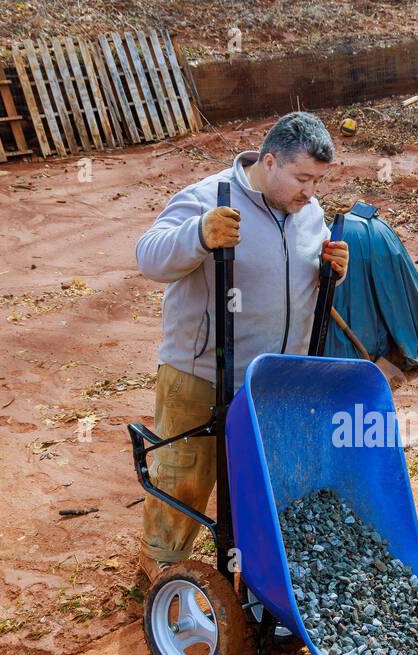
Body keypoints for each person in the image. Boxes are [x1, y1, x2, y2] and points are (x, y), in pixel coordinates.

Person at [134, 111, 349, 580]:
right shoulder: (207, 198)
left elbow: (296, 279)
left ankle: (254, 570)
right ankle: (160, 571)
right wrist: (198, 235)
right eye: (302, 178)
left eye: (317, 180)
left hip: (272, 380)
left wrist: (332, 270)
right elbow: (148, 256)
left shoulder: (306, 213)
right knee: (185, 477)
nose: (310, 191)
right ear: (270, 161)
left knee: (259, 478)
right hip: (203, 374)